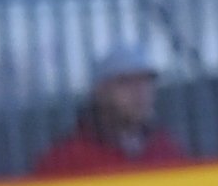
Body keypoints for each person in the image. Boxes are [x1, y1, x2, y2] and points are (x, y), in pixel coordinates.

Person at [31, 43, 187, 177]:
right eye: (125, 82)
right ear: (100, 92)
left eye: (146, 82)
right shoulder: (66, 160)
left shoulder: (166, 149)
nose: (140, 92)